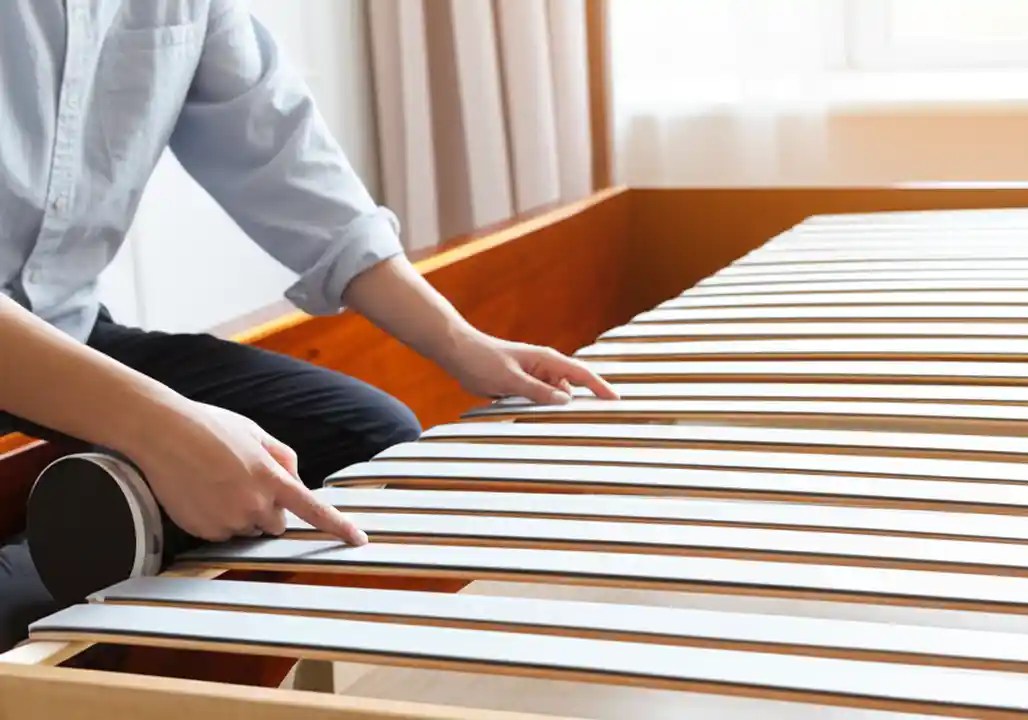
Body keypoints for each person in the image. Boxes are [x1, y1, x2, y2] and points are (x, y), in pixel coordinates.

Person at [0, 1, 618, 651]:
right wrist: (156, 427)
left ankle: (79, 541)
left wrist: (461, 343)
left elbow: (285, 156)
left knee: (365, 437)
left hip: (63, 325)